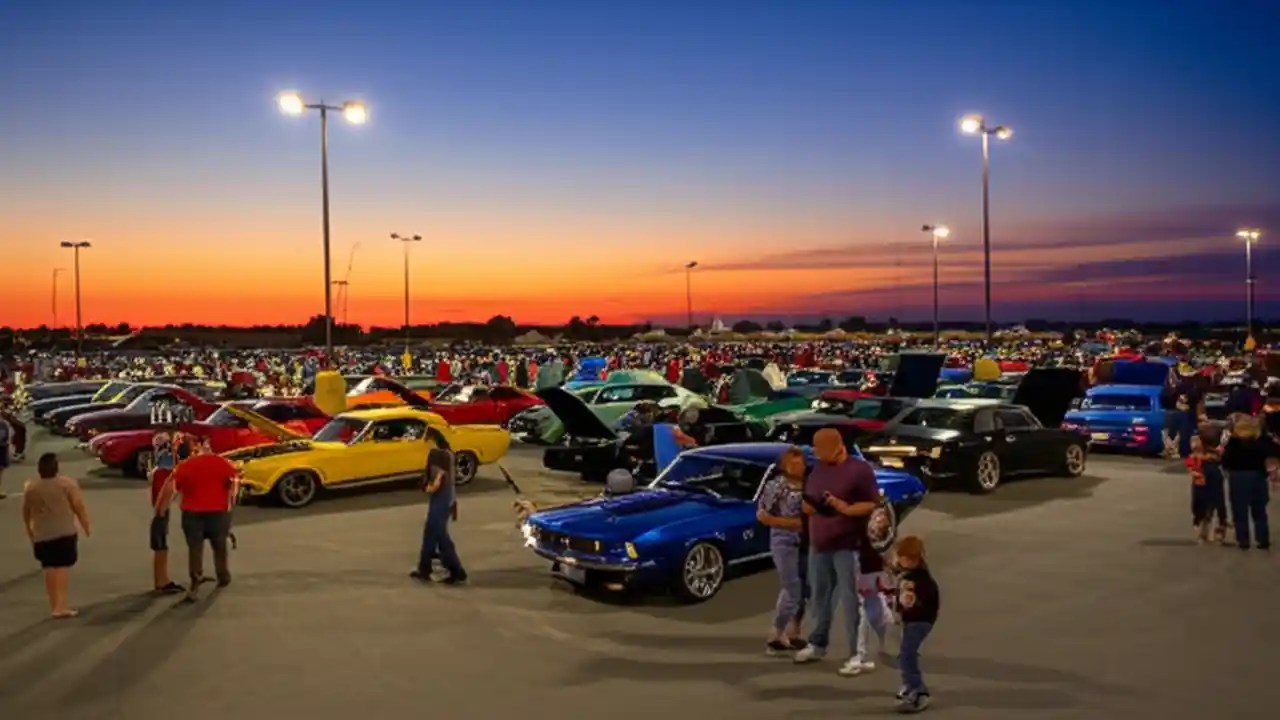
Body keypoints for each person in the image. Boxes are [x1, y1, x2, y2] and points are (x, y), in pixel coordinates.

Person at [794, 428, 881, 676]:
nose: (817, 454)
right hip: (819, 542)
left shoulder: (859, 470)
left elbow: (870, 504)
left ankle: (858, 654)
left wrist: (844, 507)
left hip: (847, 543)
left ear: (838, 446)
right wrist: (808, 507)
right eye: (815, 448)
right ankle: (817, 643)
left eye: (821, 449)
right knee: (819, 596)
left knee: (852, 599)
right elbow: (809, 498)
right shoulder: (818, 468)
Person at [157, 435, 239, 601]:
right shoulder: (223, 463)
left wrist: (162, 510)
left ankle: (195, 581)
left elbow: (172, 489)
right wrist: (230, 504)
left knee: (195, 549)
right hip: (218, 512)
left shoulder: (185, 466)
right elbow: (233, 484)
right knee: (220, 546)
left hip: (192, 514)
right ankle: (223, 575)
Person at [21, 453, 91, 618]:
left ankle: (54, 605)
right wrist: (86, 525)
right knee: (61, 568)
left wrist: (30, 531)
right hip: (64, 532)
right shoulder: (67, 484)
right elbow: (78, 506)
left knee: (49, 568)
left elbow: (26, 512)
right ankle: (62, 605)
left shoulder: (31, 487)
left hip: (42, 534)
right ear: (56, 468)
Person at [755, 446, 809, 656]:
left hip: (807, 541)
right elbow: (762, 515)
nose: (799, 467)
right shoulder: (776, 486)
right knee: (792, 587)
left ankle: (794, 632)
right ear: (784, 466)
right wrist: (790, 523)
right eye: (793, 464)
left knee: (805, 588)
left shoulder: (809, 484)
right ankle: (776, 634)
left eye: (801, 463)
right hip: (784, 541)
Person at [892, 535, 939, 714]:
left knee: (907, 655)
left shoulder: (921, 579)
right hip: (911, 620)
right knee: (906, 654)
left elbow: (927, 597)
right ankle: (910, 685)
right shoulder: (905, 573)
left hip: (920, 621)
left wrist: (913, 596)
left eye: (909, 559)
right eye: (902, 557)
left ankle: (917, 689)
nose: (903, 561)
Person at [411, 437, 466, 584]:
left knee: (441, 538)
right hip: (447, 502)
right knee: (430, 535)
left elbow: (433, 487)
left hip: (440, 504)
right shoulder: (448, 454)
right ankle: (424, 568)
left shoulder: (437, 459)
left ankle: (456, 570)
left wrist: (425, 486)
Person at [1221, 415, 1276, 550]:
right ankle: (1263, 539)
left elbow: (1225, 460)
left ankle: (1243, 540)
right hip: (1258, 476)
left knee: (1239, 511)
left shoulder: (1233, 442)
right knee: (1259, 510)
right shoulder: (1260, 441)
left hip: (1238, 477)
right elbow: (1275, 450)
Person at [149, 433, 185, 594]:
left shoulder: (157, 470)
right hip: (161, 511)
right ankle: (162, 582)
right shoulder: (165, 471)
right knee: (161, 545)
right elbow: (167, 491)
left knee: (160, 545)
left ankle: (161, 580)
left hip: (159, 510)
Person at [1187, 424, 1229, 545]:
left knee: (1200, 498)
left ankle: (1202, 526)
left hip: (1200, 472)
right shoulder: (1219, 451)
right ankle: (1220, 526)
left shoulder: (1196, 450)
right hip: (1213, 472)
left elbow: (1190, 463)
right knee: (1217, 500)